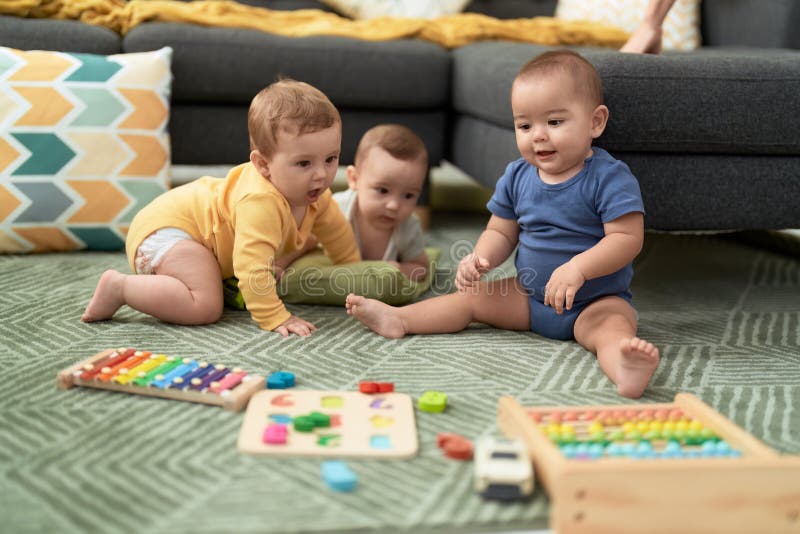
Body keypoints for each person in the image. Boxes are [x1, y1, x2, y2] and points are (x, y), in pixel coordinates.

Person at [346, 50, 660, 398]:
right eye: (525, 125)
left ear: (595, 122)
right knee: (469, 298)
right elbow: (501, 230)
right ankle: (400, 319)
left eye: (554, 122)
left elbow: (627, 238)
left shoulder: (609, 177)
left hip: (595, 301)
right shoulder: (517, 175)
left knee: (613, 329)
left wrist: (579, 269)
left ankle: (625, 369)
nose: (537, 135)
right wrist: (480, 259)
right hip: (529, 296)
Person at [81, 79, 360, 337]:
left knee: (238, 276)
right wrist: (275, 316)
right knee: (204, 305)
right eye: (304, 163)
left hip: (187, 233)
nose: (322, 175)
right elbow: (251, 267)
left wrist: (356, 276)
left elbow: (338, 237)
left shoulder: (316, 196)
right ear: (263, 165)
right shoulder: (260, 202)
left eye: (331, 158)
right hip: (168, 233)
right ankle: (120, 288)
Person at [335, 124, 429, 281]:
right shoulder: (336, 209)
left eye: (408, 195)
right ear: (354, 179)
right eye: (383, 190)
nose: (394, 205)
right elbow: (302, 242)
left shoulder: (408, 227)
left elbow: (421, 267)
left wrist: (402, 270)